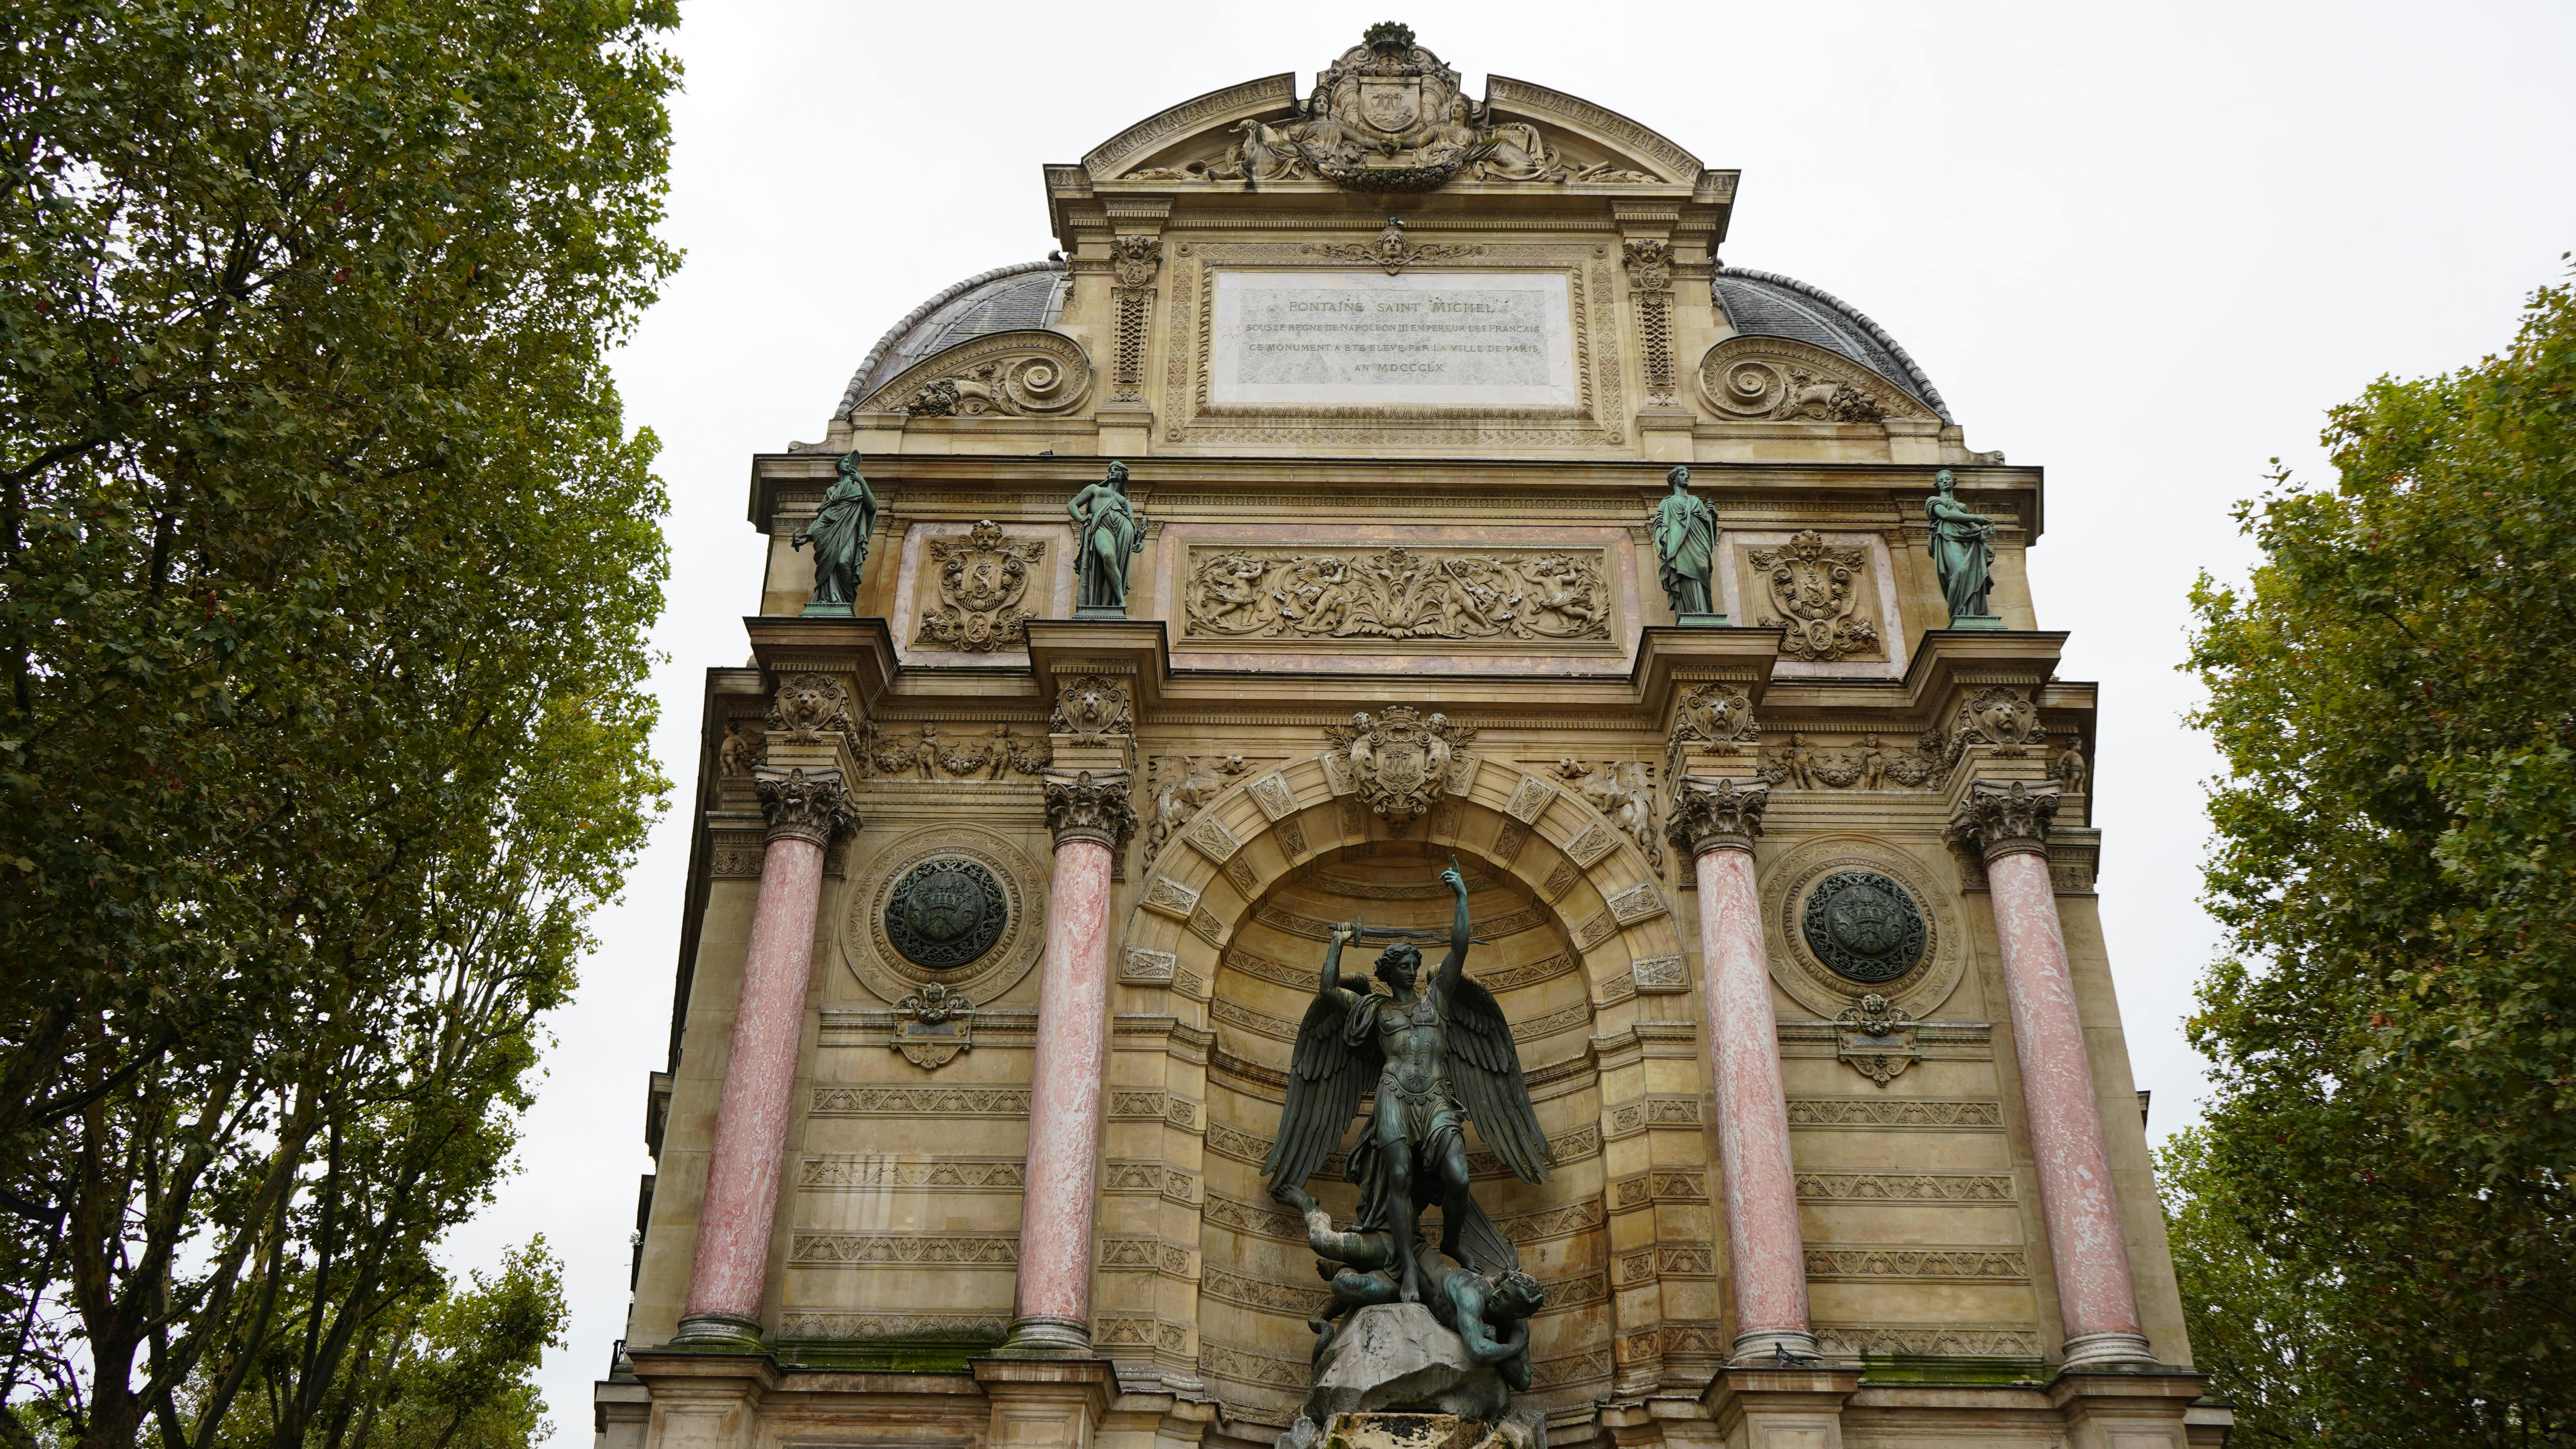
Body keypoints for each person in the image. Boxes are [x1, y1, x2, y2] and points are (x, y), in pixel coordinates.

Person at [791, 451, 879, 609]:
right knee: (829, 567)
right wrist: (807, 537)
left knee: (843, 561)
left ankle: (847, 600)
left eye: (849, 462)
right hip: (826, 531)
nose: (847, 463)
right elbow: (824, 515)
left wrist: (862, 481)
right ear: (838, 467)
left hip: (849, 529)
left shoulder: (858, 486)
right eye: (844, 462)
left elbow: (872, 507)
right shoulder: (831, 491)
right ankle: (827, 599)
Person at [1068, 461, 1145, 611]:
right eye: (1111, 470)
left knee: (1114, 565)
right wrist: (1081, 519)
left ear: (1123, 475)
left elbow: (1132, 522)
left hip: (1123, 531)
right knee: (1108, 556)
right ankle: (1121, 598)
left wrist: (1139, 541)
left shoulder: (1126, 502)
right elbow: (1072, 505)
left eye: (1116, 470)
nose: (1112, 472)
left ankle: (1106, 607)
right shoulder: (1095, 489)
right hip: (1101, 527)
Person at [1925, 468, 1999, 621]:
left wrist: (1985, 546)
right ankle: (1957, 613)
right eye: (1941, 480)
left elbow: (1972, 528)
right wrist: (1977, 518)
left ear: (1954, 482)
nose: (1945, 482)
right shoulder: (1933, 500)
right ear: (1938, 485)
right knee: (1959, 570)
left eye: (1948, 479)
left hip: (1969, 541)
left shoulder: (1962, 507)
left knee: (1972, 573)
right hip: (1948, 538)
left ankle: (1971, 613)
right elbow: (1945, 514)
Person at [1650, 465, 1718, 615]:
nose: (1687, 477)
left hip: (1698, 542)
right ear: (1675, 479)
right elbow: (1660, 524)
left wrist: (1714, 517)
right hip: (1678, 544)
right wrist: (1658, 544)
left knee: (1702, 568)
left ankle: (1703, 610)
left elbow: (1708, 528)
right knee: (1683, 573)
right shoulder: (1667, 503)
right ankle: (1691, 612)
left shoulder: (1695, 501)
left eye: (1688, 475)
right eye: (1682, 475)